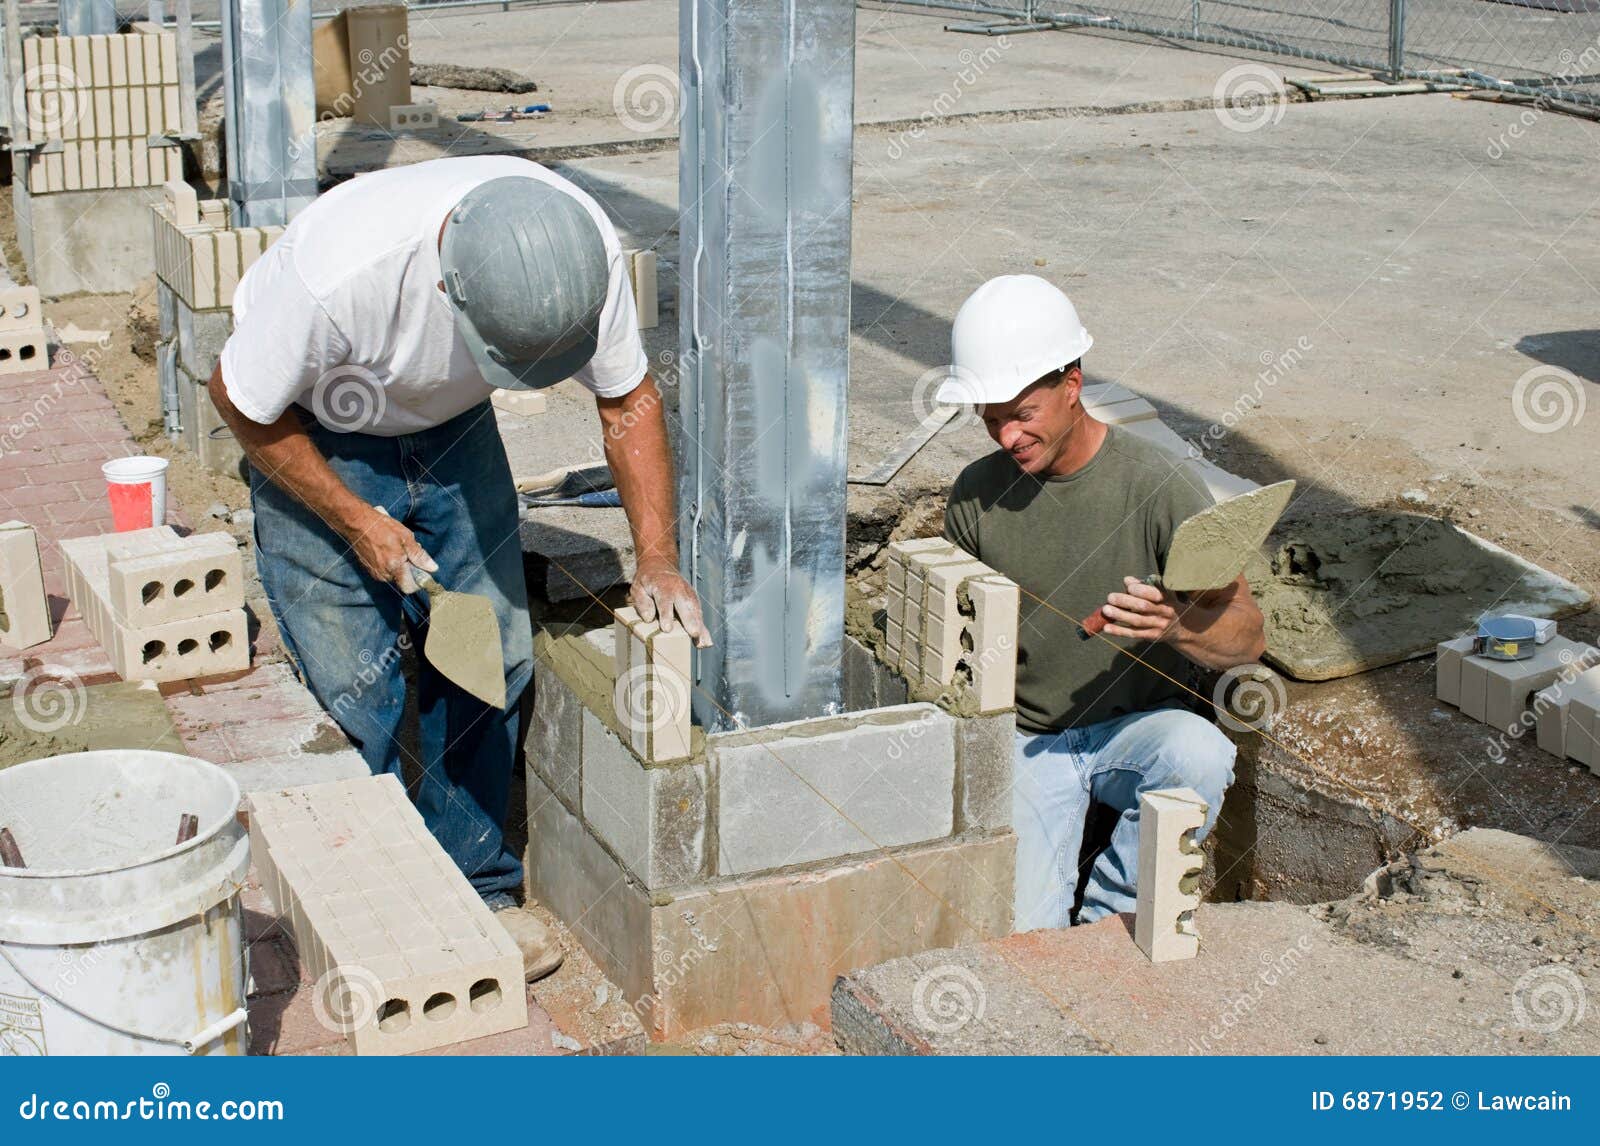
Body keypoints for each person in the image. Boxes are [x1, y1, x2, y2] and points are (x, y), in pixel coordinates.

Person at [209, 156, 710, 980]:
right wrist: (355, 517)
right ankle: (357, 906)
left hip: (451, 427)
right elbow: (240, 399)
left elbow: (628, 402)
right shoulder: (338, 278)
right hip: (316, 422)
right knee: (355, 692)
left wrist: (656, 557)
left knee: (489, 657)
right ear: (450, 292)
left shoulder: (575, 256)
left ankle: (474, 881)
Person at [939, 275, 1266, 930]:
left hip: (1133, 732)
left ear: (1072, 385)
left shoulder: (1160, 485)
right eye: (991, 419)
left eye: (1022, 414)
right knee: (1026, 936)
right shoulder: (974, 495)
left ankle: (1110, 924)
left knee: (1200, 752)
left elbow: (1248, 634)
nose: (1007, 437)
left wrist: (1178, 626)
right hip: (1029, 741)